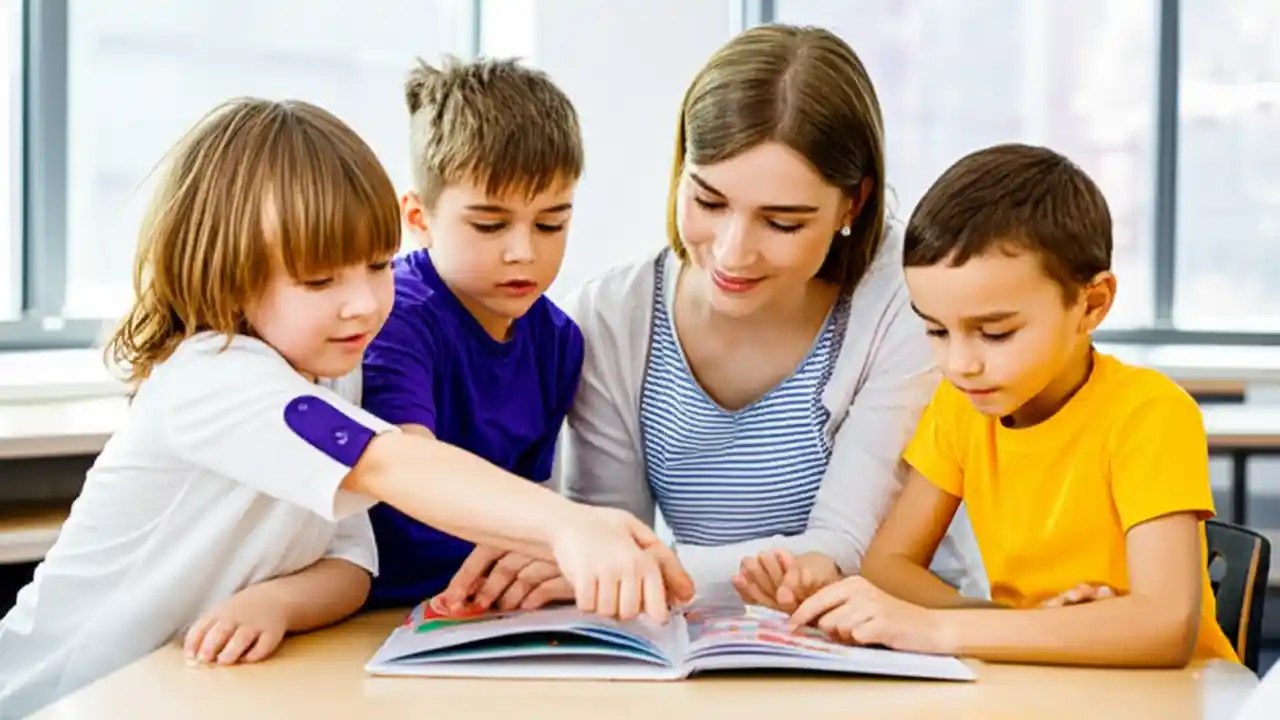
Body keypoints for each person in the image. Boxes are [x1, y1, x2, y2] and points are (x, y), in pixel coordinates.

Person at [0, 98, 692, 719]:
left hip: (180, 689)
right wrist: (567, 526)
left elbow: (349, 569)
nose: (363, 302)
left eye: (378, 265)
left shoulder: (337, 375)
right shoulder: (213, 378)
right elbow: (391, 465)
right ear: (226, 275)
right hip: (59, 693)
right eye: (318, 280)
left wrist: (278, 601)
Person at [544, 24, 984, 606]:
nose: (731, 253)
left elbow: (841, 547)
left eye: (782, 222)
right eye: (708, 201)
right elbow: (611, 542)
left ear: (853, 203)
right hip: (720, 641)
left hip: (904, 636)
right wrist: (599, 562)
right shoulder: (610, 316)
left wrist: (636, 567)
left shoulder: (910, 299)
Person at [790, 143, 1238, 667]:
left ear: (1091, 305)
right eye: (936, 330)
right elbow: (887, 568)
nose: (960, 363)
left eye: (996, 333)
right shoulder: (962, 409)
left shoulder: (1150, 413)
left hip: (1178, 698)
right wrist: (1020, 626)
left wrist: (939, 627)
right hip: (1046, 685)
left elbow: (1164, 628)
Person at [360, 56, 586, 612]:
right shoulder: (396, 315)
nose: (523, 251)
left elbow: (528, 498)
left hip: (485, 611)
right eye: (489, 225)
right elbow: (412, 468)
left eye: (551, 223)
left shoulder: (558, 341)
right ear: (417, 217)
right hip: (372, 607)